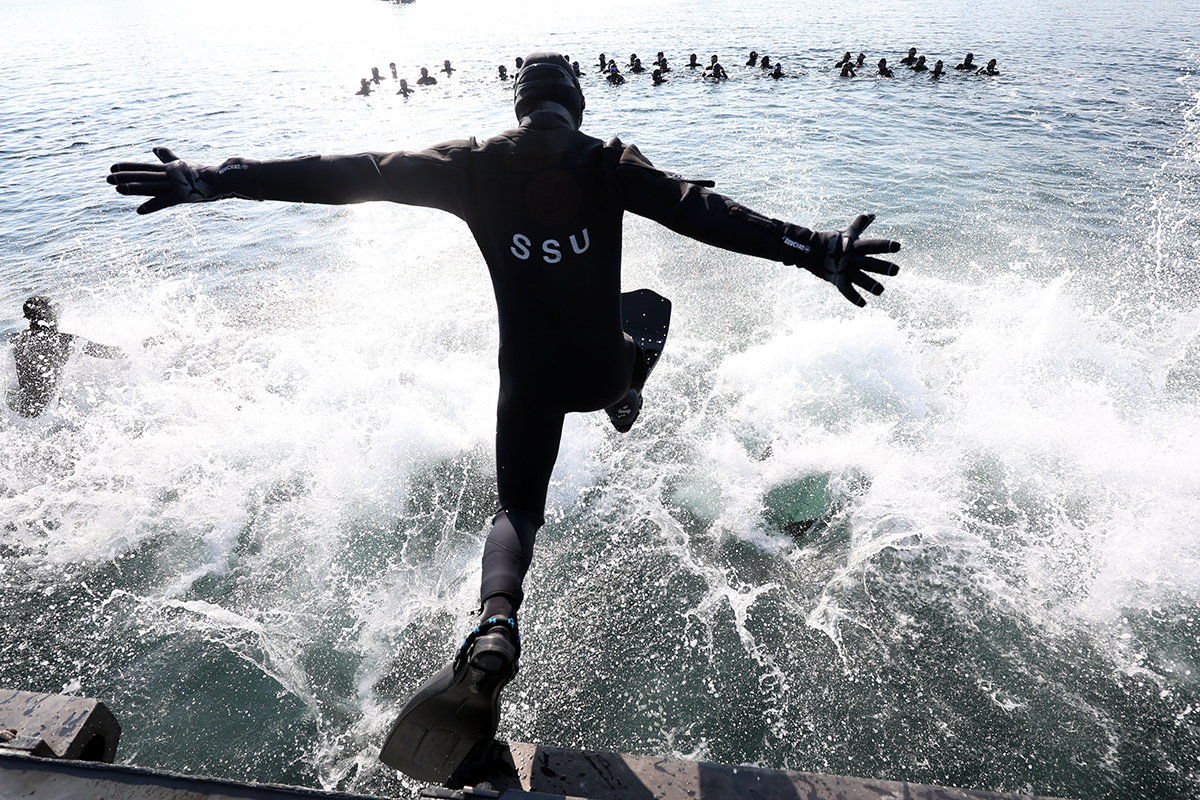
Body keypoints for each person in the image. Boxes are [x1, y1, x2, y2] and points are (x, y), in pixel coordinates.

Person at [106, 51, 900, 781]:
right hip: (595, 367)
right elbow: (703, 211)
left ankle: (494, 626)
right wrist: (812, 248)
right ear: (576, 107)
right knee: (649, 308)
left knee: (518, 506)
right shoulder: (609, 162)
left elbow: (352, 171)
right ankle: (629, 394)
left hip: (526, 376)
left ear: (519, 109)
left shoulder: (469, 165)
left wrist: (219, 178)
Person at [8, 296, 123, 418]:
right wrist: (138, 346)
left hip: (25, 413)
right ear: (51, 317)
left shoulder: (16, 340)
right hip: (49, 416)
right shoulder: (65, 340)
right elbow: (111, 353)